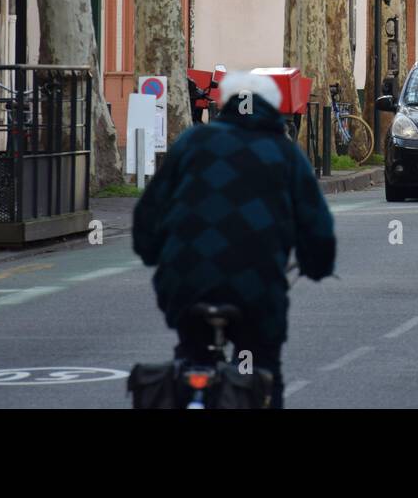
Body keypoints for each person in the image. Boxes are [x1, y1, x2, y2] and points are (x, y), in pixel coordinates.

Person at [133, 70, 336, 408]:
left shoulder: (191, 142)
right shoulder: (283, 153)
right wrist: (318, 264)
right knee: (261, 367)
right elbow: (316, 224)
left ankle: (190, 377)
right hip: (257, 287)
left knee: (192, 351)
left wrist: (153, 254)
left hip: (184, 282)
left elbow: (149, 212)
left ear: (224, 104)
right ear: (274, 108)